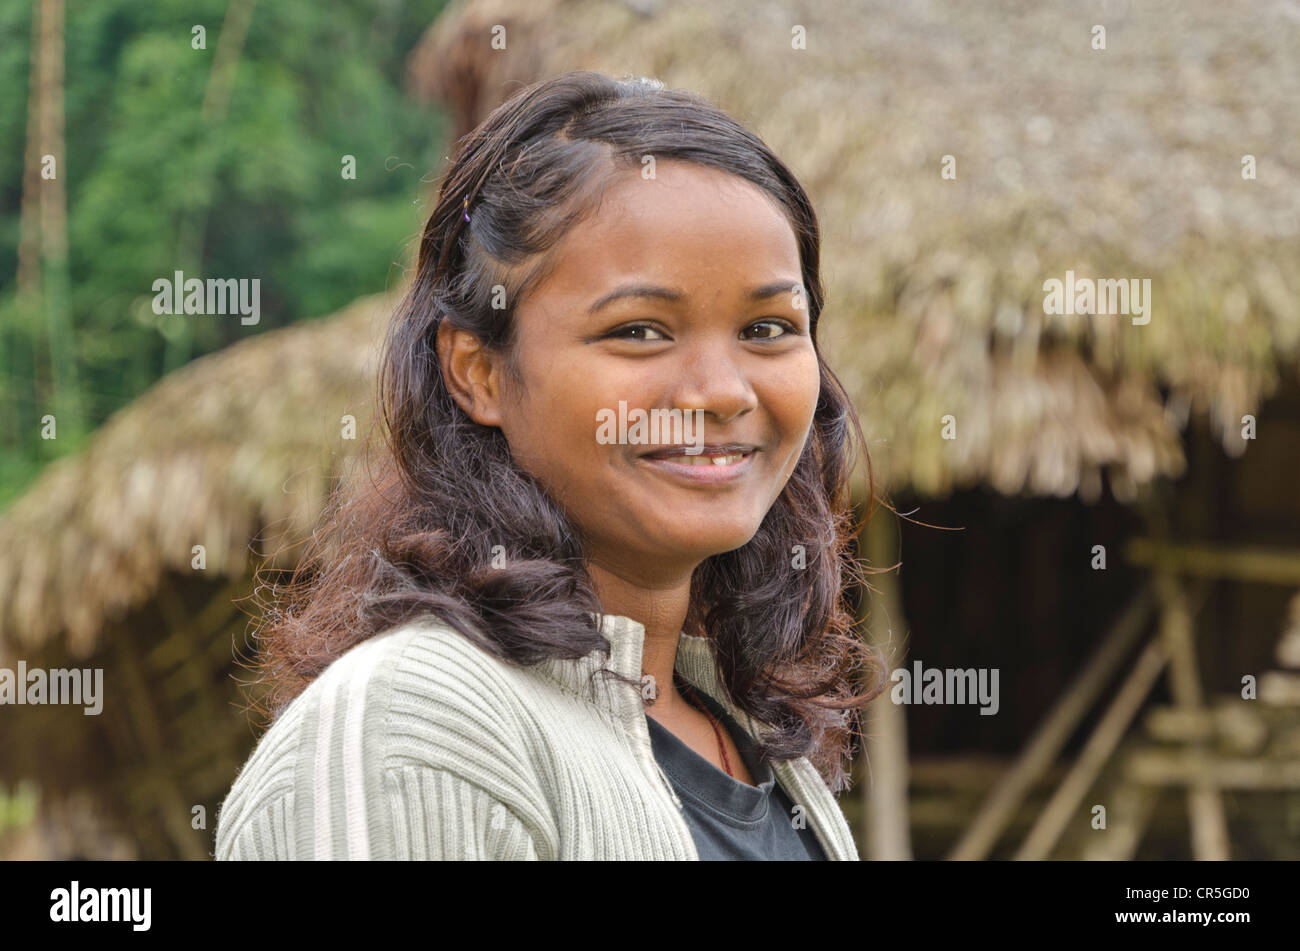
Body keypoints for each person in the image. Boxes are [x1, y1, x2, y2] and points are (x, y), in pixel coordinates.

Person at [215, 70, 885, 861]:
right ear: (478, 371)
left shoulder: (755, 748)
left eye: (768, 327)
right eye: (639, 331)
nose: (722, 391)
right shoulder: (410, 733)